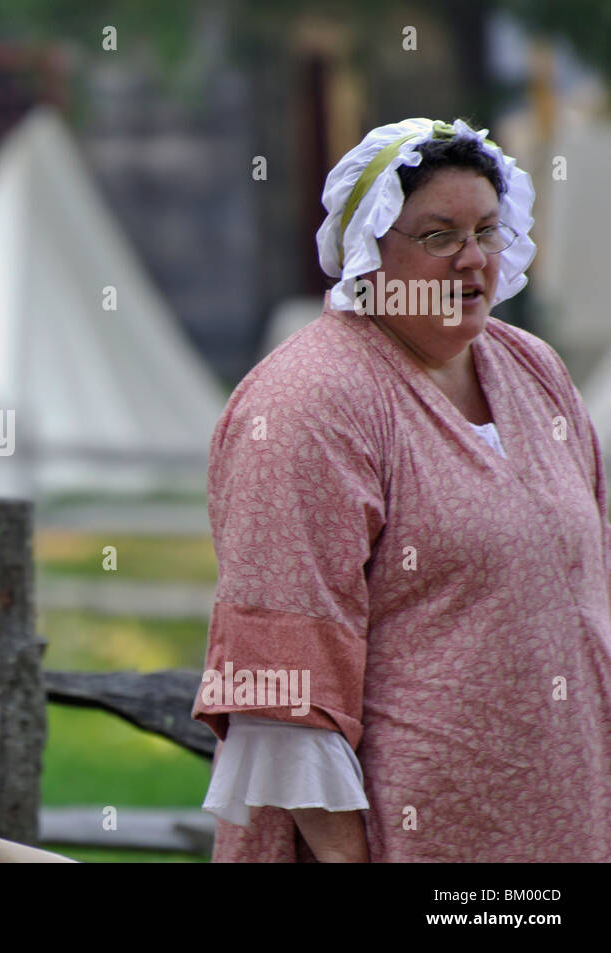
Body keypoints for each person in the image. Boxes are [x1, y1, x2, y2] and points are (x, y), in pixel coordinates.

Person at [192, 117, 611, 862]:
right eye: (438, 236)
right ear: (368, 249)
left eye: (487, 230)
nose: (472, 260)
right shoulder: (311, 403)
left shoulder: (534, 370)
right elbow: (279, 679)